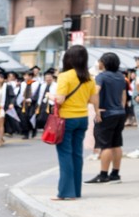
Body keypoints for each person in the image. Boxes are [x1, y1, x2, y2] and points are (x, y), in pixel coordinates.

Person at [52, 45, 100, 200]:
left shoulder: (65, 76)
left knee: (65, 155)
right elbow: (93, 100)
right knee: (76, 154)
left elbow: (60, 99)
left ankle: (66, 192)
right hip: (82, 118)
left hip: (66, 119)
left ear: (69, 59)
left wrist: (49, 96)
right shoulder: (89, 78)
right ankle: (76, 191)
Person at [86, 51, 126, 184]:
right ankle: (115, 174)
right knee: (116, 144)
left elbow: (96, 92)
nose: (99, 63)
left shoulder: (101, 77)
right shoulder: (120, 76)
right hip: (119, 113)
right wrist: (121, 109)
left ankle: (103, 175)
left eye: (100, 60)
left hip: (107, 114)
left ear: (104, 63)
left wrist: (97, 111)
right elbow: (123, 96)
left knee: (105, 145)